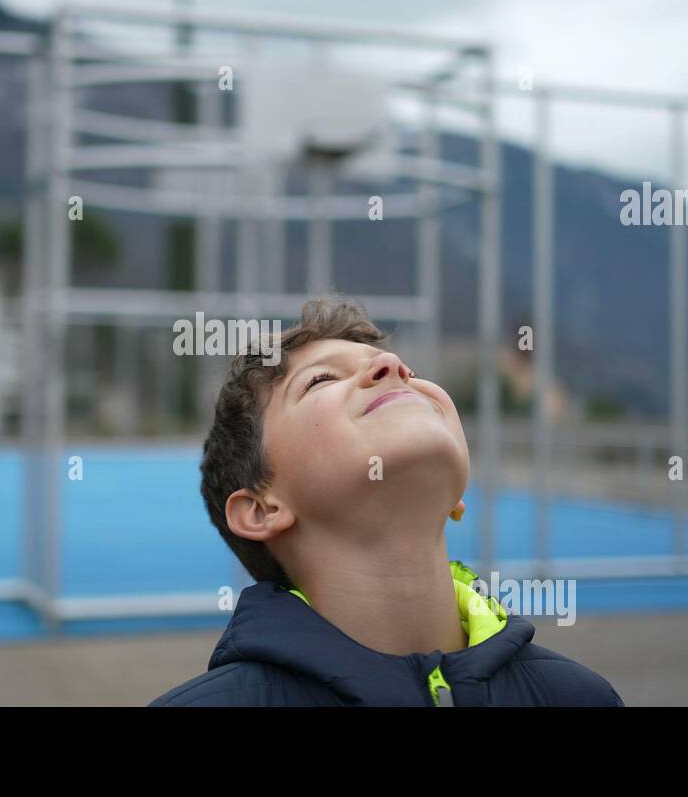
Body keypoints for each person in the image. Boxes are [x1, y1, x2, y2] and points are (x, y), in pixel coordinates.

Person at [149, 294, 623, 706]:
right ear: (262, 508)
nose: (392, 367)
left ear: (456, 498)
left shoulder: (582, 697)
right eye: (321, 381)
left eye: (409, 371)